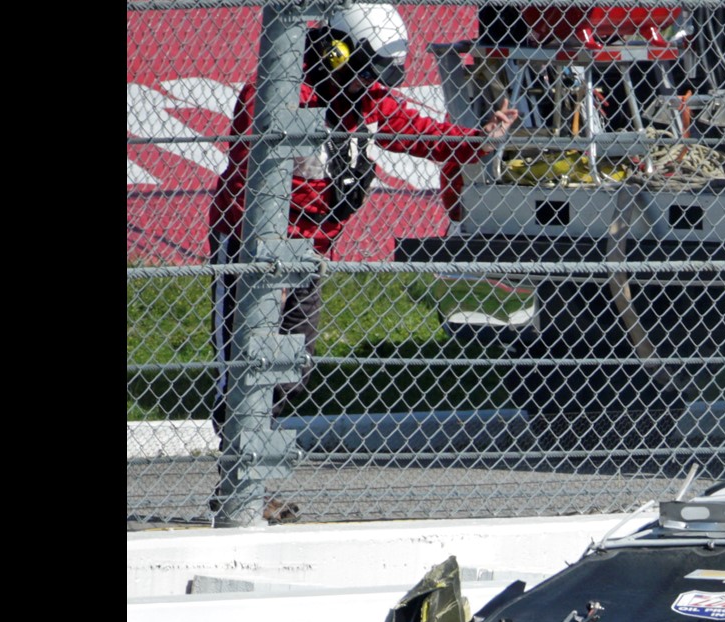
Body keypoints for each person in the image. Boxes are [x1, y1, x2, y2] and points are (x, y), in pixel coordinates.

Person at [208, 3, 517, 518]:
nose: (372, 87)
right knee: (244, 369)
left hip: (311, 253)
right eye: (366, 73)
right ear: (334, 52)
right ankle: (241, 490)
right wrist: (275, 259)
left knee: (291, 368)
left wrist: (479, 139)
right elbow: (249, 184)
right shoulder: (278, 95)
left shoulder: (368, 99)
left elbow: (419, 133)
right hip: (253, 251)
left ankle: (249, 475)